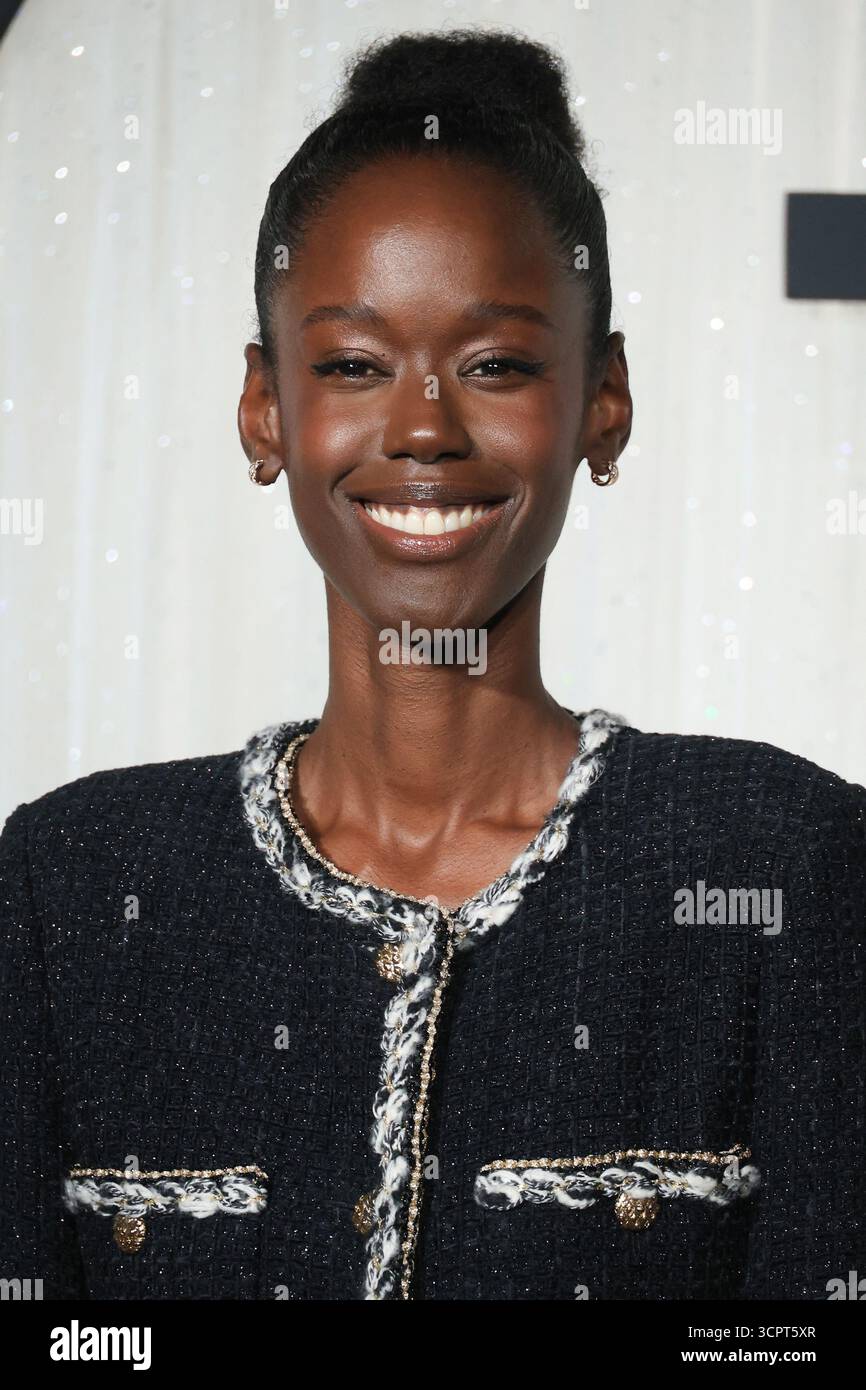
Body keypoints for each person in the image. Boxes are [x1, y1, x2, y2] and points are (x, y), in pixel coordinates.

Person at [1, 28, 863, 1302]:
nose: (419, 425)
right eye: (351, 363)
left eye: (495, 364)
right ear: (265, 410)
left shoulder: (785, 867)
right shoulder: (65, 889)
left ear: (601, 401)